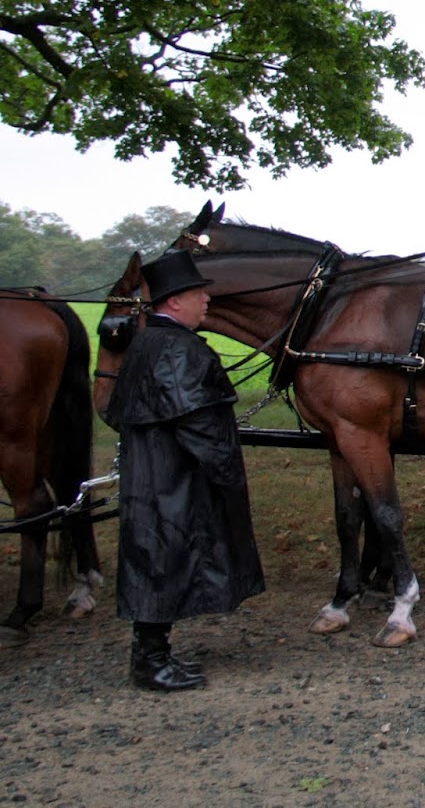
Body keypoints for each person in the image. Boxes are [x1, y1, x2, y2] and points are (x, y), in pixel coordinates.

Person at [104, 250, 264, 692]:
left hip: (153, 475)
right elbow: (198, 422)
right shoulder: (177, 348)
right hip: (172, 480)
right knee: (163, 561)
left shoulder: (147, 343)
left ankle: (153, 655)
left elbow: (117, 412)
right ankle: (151, 664)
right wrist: (227, 473)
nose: (206, 302)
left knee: (156, 561)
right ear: (174, 302)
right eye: (198, 295)